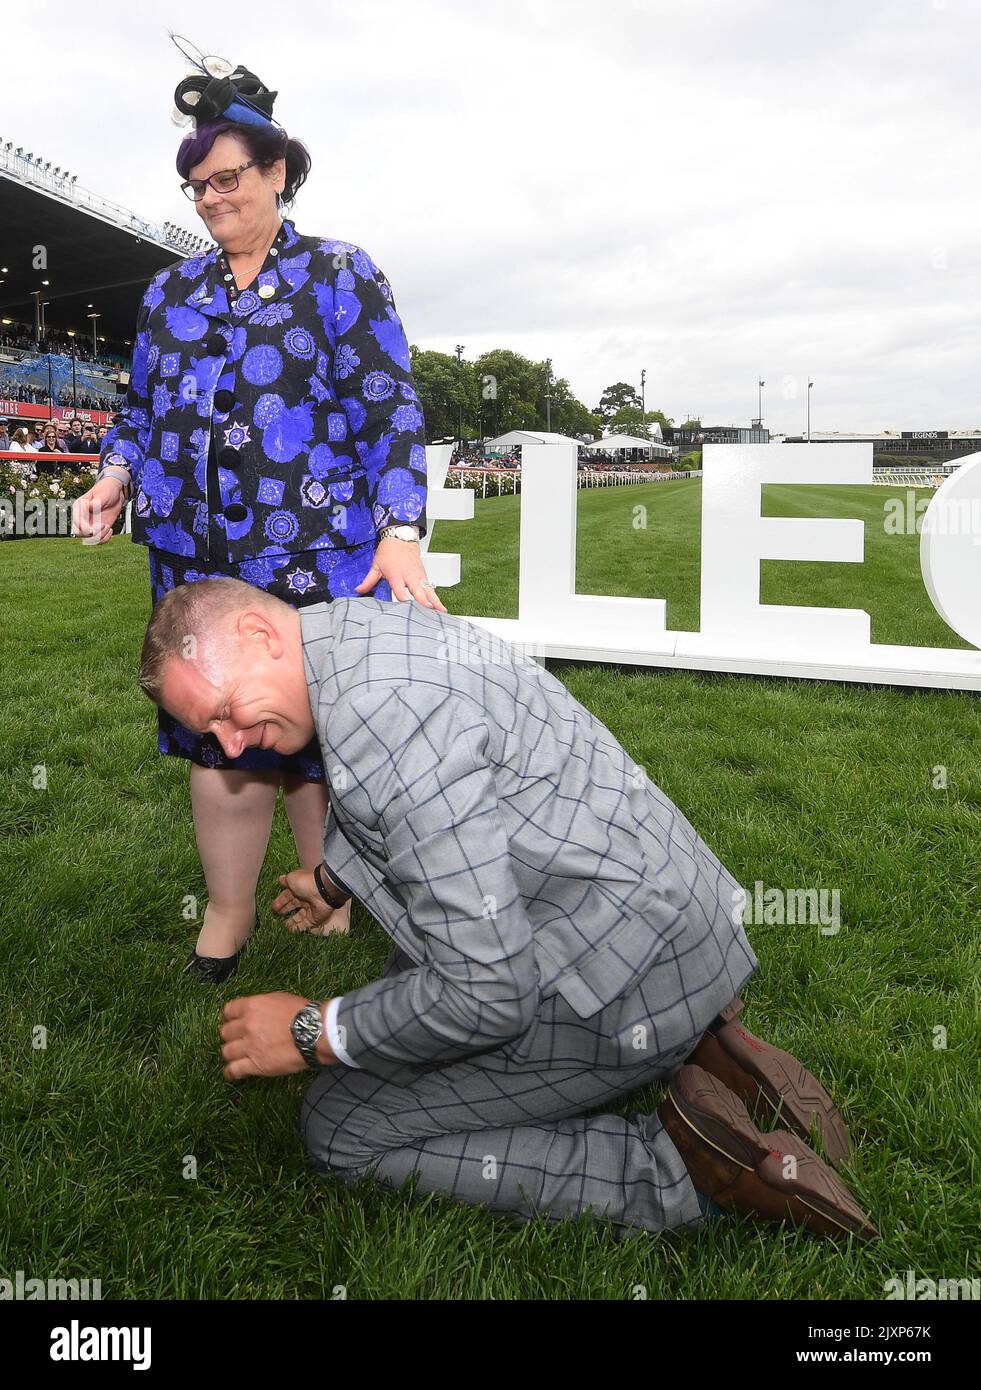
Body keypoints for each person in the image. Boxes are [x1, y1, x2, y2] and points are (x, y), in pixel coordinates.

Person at [136, 576, 877, 1241]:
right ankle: (708, 1045)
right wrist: (336, 880)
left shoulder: (380, 719)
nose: (231, 748)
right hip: (674, 919)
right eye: (211, 735)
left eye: (227, 713)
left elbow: (486, 993)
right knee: (409, 984)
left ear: (259, 635)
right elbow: (464, 809)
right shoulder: (363, 632)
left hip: (623, 983)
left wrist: (308, 1031)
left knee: (343, 1125)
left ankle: (682, 1171)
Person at [72, 45, 445, 982]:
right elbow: (142, 412)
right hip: (193, 557)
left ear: (279, 172)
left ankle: (323, 890)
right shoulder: (167, 293)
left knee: (310, 732)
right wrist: (115, 476)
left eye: (228, 178)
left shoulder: (339, 274)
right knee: (221, 734)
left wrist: (400, 529)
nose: (209, 198)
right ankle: (229, 914)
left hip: (317, 551)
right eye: (195, 185)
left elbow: (388, 408)